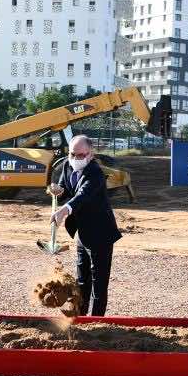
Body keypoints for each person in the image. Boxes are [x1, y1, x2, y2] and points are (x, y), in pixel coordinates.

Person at [49, 135, 122, 316]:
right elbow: (65, 185)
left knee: (99, 283)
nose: (75, 159)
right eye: (72, 154)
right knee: (82, 280)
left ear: (91, 154)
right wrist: (58, 190)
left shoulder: (96, 173)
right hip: (82, 232)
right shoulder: (67, 164)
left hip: (100, 233)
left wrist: (64, 210)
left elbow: (83, 195)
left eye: (81, 155)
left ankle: (97, 320)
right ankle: (80, 316)